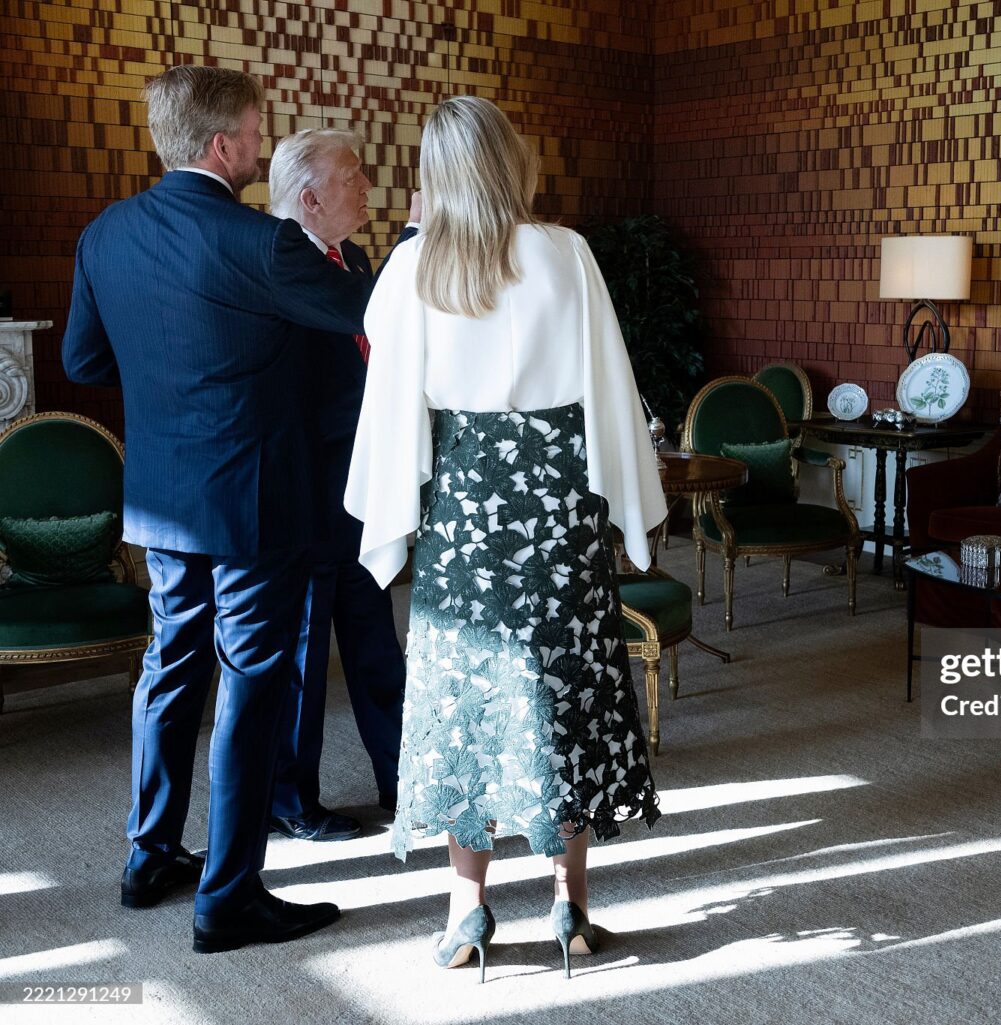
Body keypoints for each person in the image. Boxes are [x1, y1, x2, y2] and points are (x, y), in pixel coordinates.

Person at [343, 95, 666, 982]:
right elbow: (611, 383)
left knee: (461, 704)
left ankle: (466, 910)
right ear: (511, 162)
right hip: (559, 514)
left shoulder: (414, 270)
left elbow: (382, 377)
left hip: (470, 521)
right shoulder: (568, 253)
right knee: (566, 694)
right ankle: (571, 902)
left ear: (434, 177)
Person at [62, 66, 374, 953]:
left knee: (171, 669)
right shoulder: (261, 243)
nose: (259, 140)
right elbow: (369, 316)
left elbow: (85, 361)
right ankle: (229, 896)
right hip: (253, 502)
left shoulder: (104, 234)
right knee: (251, 683)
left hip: (161, 502)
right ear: (220, 145)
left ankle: (150, 853)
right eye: (253, 129)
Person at [264, 128, 412, 842]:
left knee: (374, 637)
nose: (366, 188)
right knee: (302, 651)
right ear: (311, 195)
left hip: (357, 487)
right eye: (352, 176)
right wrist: (416, 238)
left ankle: (405, 778)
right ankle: (293, 801)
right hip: (302, 489)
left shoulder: (350, 256)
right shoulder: (279, 258)